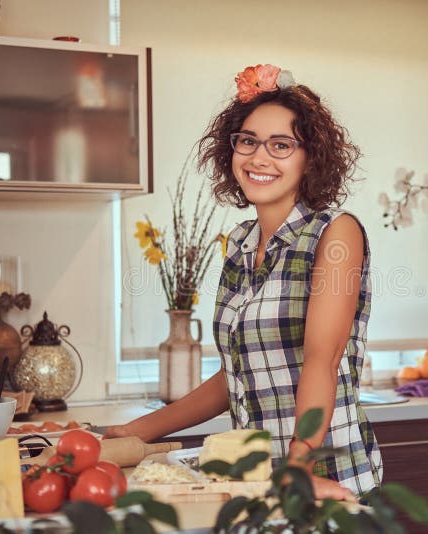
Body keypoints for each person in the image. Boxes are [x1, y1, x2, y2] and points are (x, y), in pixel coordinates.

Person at [105, 64, 382, 499]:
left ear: (311, 157)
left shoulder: (335, 233)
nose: (259, 157)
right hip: (254, 483)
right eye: (249, 141)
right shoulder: (240, 244)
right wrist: (135, 431)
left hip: (325, 477)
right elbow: (234, 374)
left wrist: (299, 467)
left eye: (281, 145)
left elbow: (322, 361)